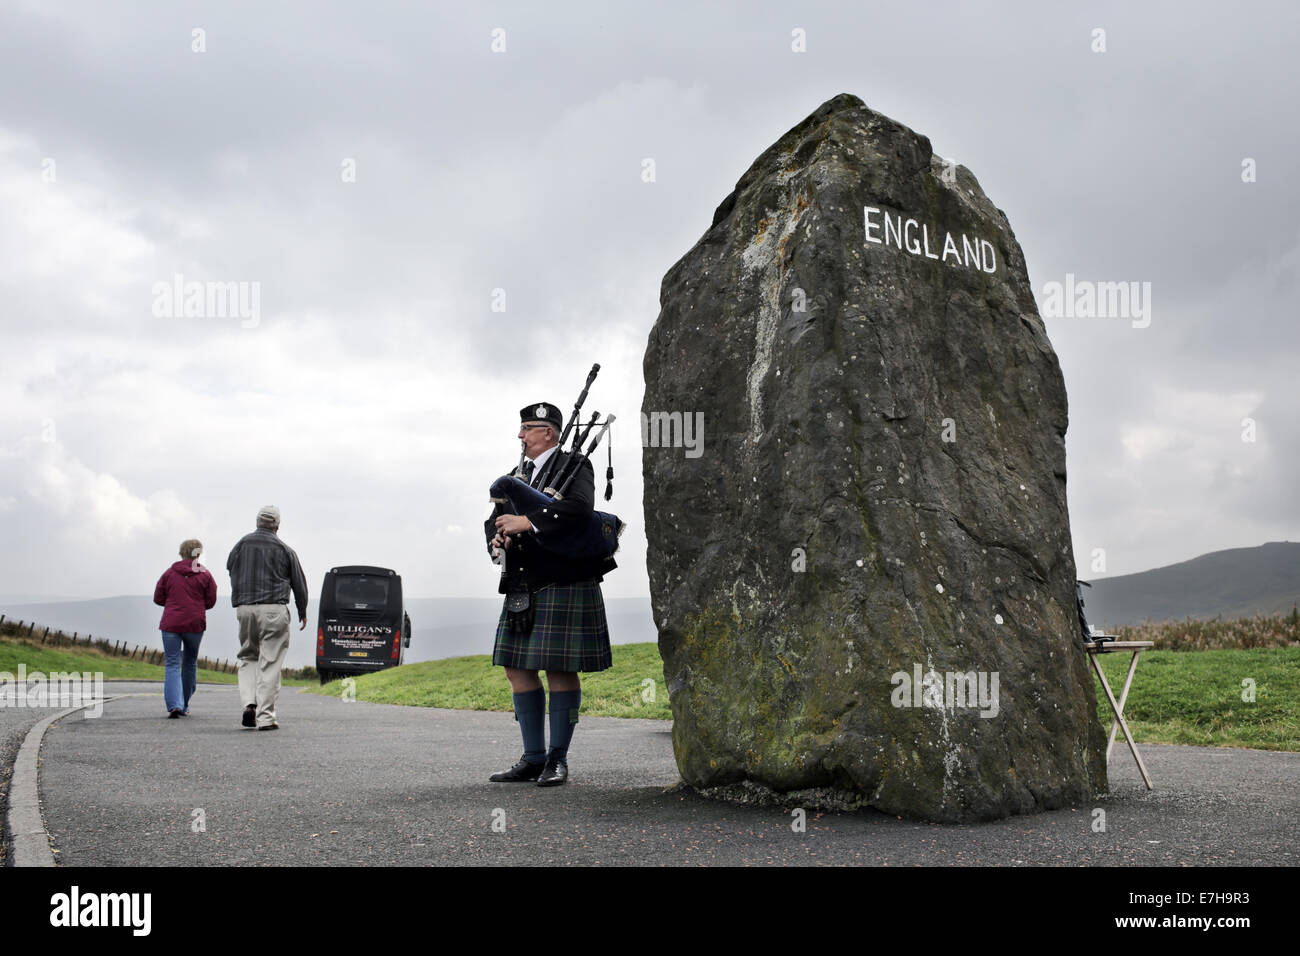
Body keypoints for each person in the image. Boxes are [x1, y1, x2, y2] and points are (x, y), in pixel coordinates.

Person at [486, 402, 614, 786]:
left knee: (560, 669)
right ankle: (533, 757)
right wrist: (498, 541)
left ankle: (558, 758)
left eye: (528, 428)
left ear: (550, 433)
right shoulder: (516, 476)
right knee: (517, 669)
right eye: (521, 428)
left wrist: (527, 520)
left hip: (566, 581)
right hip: (525, 583)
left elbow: (579, 509)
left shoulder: (576, 465)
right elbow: (493, 520)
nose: (521, 436)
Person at [226, 505, 308, 731]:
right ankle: (265, 717)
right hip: (274, 609)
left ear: (257, 522)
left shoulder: (241, 544)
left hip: (245, 608)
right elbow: (299, 583)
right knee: (270, 661)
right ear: (277, 526)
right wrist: (302, 611)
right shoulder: (285, 549)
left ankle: (249, 704)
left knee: (248, 656)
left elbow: (230, 568)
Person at [153, 539, 217, 718]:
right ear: (199, 553)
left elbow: (158, 598)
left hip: (171, 623)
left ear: (181, 552)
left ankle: (175, 704)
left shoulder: (169, 573)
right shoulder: (205, 574)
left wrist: (173, 603)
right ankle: (185, 703)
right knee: (190, 662)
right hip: (194, 624)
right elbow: (211, 601)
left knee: (172, 663)